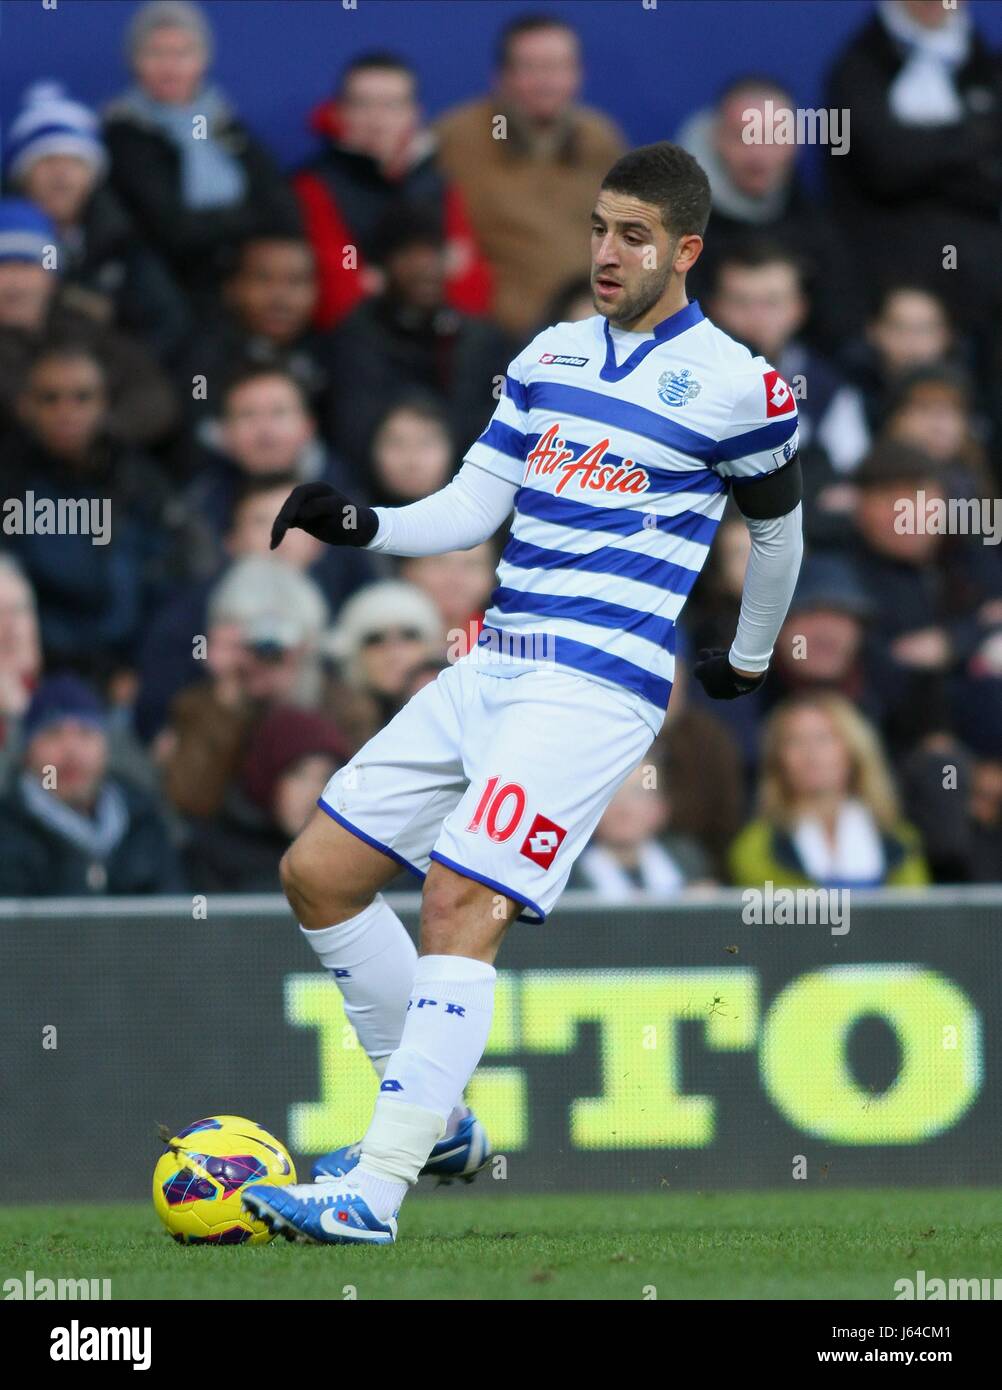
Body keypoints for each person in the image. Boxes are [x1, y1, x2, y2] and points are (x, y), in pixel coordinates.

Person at [241, 140, 804, 1246]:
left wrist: (747, 654)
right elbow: (468, 504)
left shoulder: (741, 384)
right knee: (319, 872)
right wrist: (365, 523)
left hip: (595, 686)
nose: (606, 251)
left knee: (459, 900)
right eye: (598, 227)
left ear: (686, 249)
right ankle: (438, 1118)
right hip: (494, 660)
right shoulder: (548, 354)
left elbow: (779, 537)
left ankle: (377, 1187)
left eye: (633, 235)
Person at [435, 13, 626, 336]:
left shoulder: (601, 139)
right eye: (531, 68)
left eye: (557, 68)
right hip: (497, 340)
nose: (546, 82)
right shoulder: (456, 139)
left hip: (598, 332)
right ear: (501, 77)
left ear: (578, 75)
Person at [103, 0, 300, 304]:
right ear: (134, 61)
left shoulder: (224, 123)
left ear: (202, 60)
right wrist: (248, 217)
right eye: (155, 53)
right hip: (170, 287)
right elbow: (176, 230)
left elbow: (283, 210)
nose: (169, 66)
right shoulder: (123, 134)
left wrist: (223, 224)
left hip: (242, 280)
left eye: (182, 53)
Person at [294, 51, 491, 331]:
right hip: (352, 353)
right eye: (363, 105)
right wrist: (431, 276)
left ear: (414, 114)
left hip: (440, 348)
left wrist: (380, 280)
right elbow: (339, 298)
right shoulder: (314, 187)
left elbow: (471, 291)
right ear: (340, 112)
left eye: (391, 105)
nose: (377, 120)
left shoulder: (437, 182)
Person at [4, 81, 189, 360]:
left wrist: (110, 373)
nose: (61, 176)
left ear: (94, 175)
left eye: (74, 162)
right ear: (21, 174)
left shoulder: (122, 237)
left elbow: (166, 321)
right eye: (47, 161)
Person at [0, 198, 177, 446]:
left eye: (26, 266)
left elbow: (152, 397)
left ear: (51, 278)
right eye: (3, 268)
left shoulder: (85, 328)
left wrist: (97, 432)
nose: (14, 284)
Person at [0, 674, 186, 896]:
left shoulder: (144, 820)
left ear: (105, 748)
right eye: (53, 733)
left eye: (85, 733)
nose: (71, 749)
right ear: (28, 753)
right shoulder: (8, 831)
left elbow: (173, 909)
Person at [729, 692, 929, 889]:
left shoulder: (901, 841)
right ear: (778, 759)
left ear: (853, 750)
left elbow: (913, 915)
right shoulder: (755, 847)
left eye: (824, 738)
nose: (811, 753)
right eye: (795, 741)